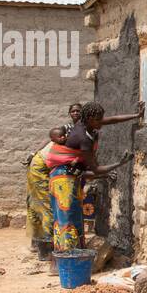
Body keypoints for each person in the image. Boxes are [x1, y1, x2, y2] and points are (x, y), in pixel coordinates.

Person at [42, 103, 129, 252]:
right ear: (89, 118)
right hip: (64, 180)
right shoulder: (84, 138)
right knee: (66, 218)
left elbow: (112, 119)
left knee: (74, 217)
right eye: (98, 119)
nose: (101, 122)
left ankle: (75, 255)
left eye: (102, 118)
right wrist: (119, 163)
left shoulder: (84, 124)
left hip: (69, 178)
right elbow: (95, 169)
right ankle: (66, 258)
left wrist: (136, 116)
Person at [25, 125, 66, 249]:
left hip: (40, 168)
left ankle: (37, 242)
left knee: (37, 205)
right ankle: (46, 244)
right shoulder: (69, 131)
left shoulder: (73, 132)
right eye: (73, 111)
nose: (63, 137)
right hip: (39, 171)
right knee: (45, 206)